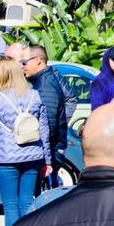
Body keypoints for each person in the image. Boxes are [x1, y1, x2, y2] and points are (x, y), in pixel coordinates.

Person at [0, 57, 50, 226]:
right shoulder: (34, 95)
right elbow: (44, 130)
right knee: (27, 201)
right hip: (33, 155)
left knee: (10, 205)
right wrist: (47, 160)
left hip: (6, 157)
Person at [21, 45, 76, 189]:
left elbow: (48, 124)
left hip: (49, 150)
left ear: (38, 60)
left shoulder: (45, 84)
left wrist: (42, 152)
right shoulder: (41, 80)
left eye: (24, 62)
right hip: (49, 149)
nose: (22, 66)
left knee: (45, 195)